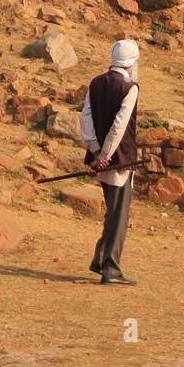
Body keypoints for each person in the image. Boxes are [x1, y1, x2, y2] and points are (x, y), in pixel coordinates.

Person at [79, 39, 141, 286]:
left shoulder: (96, 83)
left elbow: (86, 118)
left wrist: (95, 152)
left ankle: (100, 259)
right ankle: (111, 269)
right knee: (119, 216)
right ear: (131, 63)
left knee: (113, 213)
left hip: (102, 159)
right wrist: (104, 157)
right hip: (117, 162)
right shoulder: (130, 88)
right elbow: (118, 126)